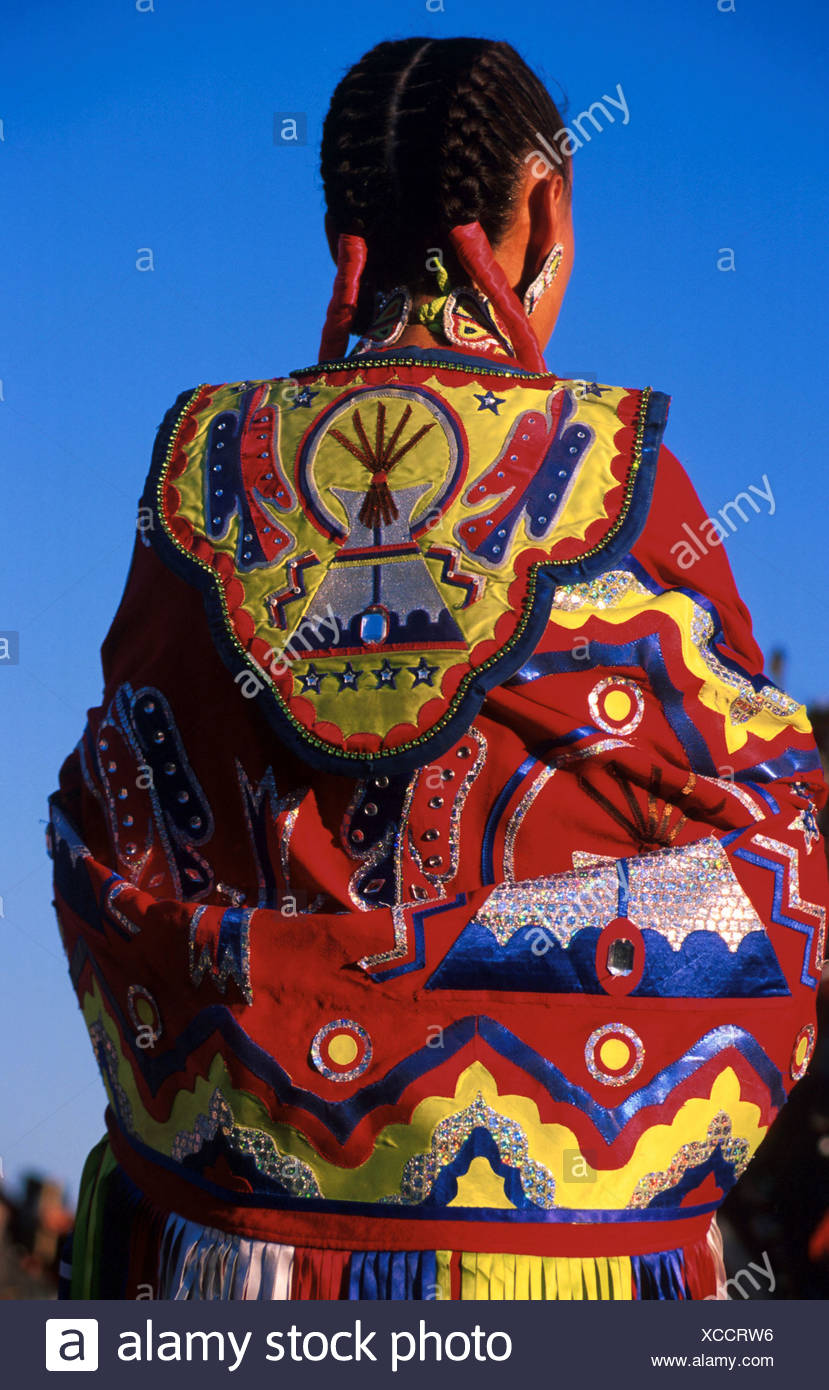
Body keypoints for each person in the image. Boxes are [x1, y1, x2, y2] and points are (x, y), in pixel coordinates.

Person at [50, 36, 828, 1301]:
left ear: (340, 233)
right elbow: (767, 832)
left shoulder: (197, 477)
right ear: (541, 213)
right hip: (554, 1275)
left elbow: (113, 802)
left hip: (227, 1259)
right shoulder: (616, 477)